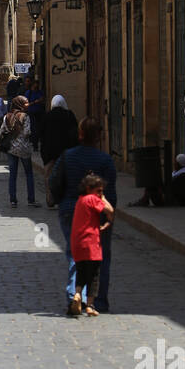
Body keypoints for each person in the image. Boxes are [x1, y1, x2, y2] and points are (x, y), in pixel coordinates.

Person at [49, 117, 117, 314]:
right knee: (101, 256)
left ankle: (74, 295)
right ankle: (97, 301)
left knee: (75, 252)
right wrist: (109, 218)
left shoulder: (67, 156)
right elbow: (110, 194)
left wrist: (63, 201)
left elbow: (54, 181)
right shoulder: (105, 161)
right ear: (98, 137)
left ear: (80, 135)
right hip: (97, 214)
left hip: (71, 210)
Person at [69, 174, 114, 317]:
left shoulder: (80, 200)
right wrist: (103, 198)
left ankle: (77, 294)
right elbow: (110, 210)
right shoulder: (92, 199)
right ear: (89, 189)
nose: (100, 193)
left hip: (77, 243)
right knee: (94, 275)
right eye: (99, 190)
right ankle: (89, 305)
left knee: (81, 272)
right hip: (91, 243)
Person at [41, 94, 79, 206]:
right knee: (66, 175)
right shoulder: (69, 115)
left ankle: (50, 198)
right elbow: (75, 132)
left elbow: (41, 133)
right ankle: (64, 198)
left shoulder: (47, 116)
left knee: (48, 175)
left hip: (50, 152)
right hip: (66, 151)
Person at [1, 95, 37, 207]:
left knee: (13, 174)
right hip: (24, 148)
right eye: (26, 102)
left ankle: (13, 200)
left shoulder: (7, 116)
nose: (28, 104)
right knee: (29, 174)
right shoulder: (25, 116)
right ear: (20, 104)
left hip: (11, 148)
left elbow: (2, 131)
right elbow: (27, 132)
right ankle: (31, 200)